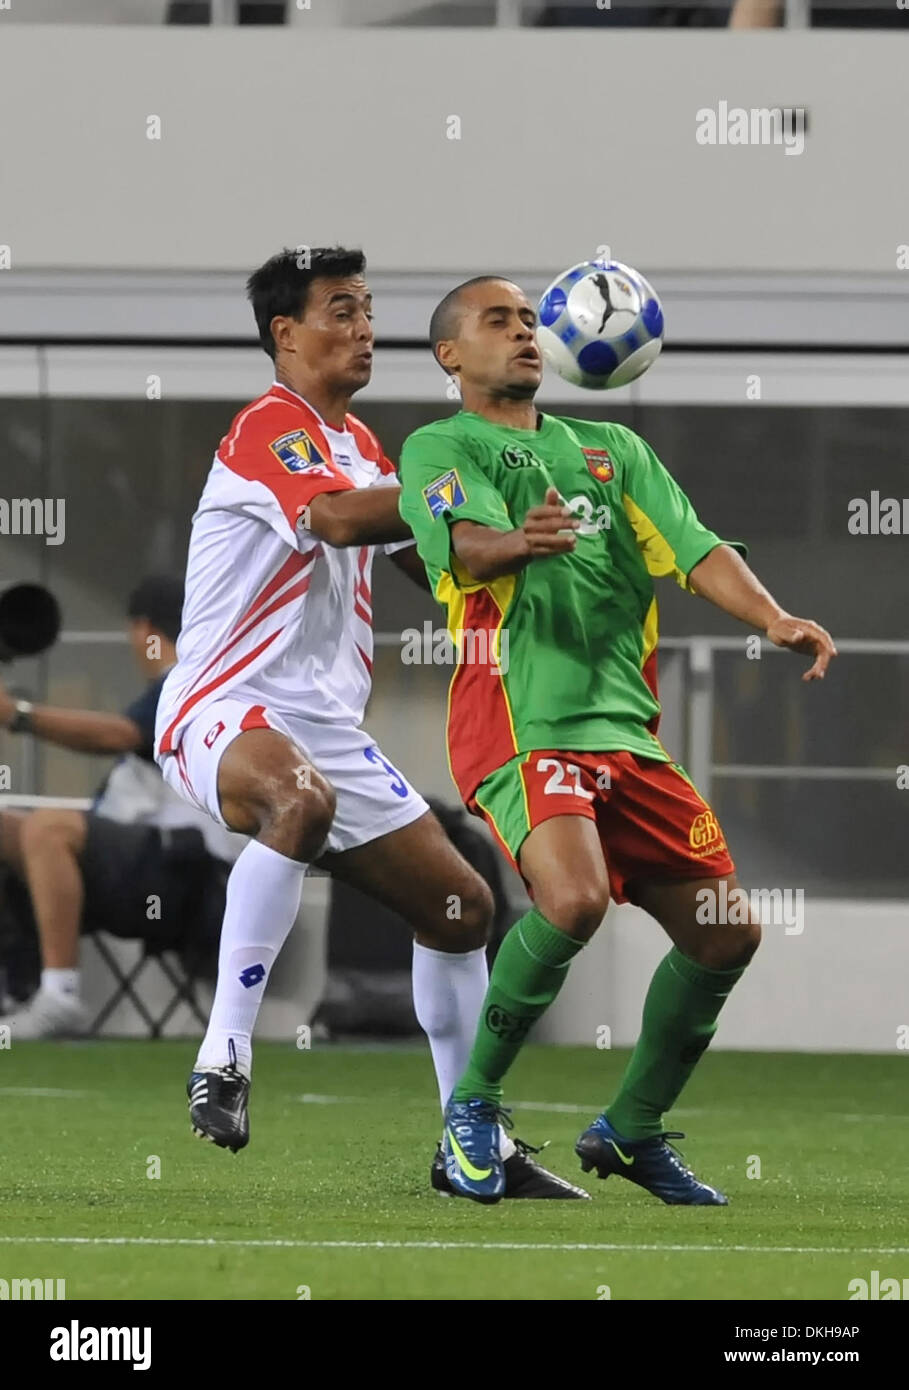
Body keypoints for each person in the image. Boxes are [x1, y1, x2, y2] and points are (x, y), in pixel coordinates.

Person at [154, 247, 587, 1199]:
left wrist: (520, 545)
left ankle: (470, 1142)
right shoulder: (271, 429)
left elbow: (426, 561)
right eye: (341, 310)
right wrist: (465, 472)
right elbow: (344, 523)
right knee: (294, 804)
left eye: (368, 309)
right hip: (221, 706)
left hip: (327, 731)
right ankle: (224, 1057)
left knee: (461, 905)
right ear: (285, 334)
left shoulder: (370, 450)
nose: (363, 328)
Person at [398, 275, 837, 1204]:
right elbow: (466, 546)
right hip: (518, 720)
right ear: (449, 355)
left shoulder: (611, 450)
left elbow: (696, 547)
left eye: (527, 319)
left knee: (726, 934)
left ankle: (630, 1131)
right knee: (575, 898)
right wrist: (519, 539)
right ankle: (468, 1115)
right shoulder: (442, 445)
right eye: (496, 321)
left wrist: (773, 619)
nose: (521, 331)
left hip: (625, 734)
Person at [0, 575, 242, 1037]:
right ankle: (17, 986)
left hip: (183, 874)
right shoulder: (178, 687)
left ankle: (59, 997)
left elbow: (119, 735)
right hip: (147, 866)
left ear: (143, 629)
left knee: (48, 828)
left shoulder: (188, 682)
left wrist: (18, 716)